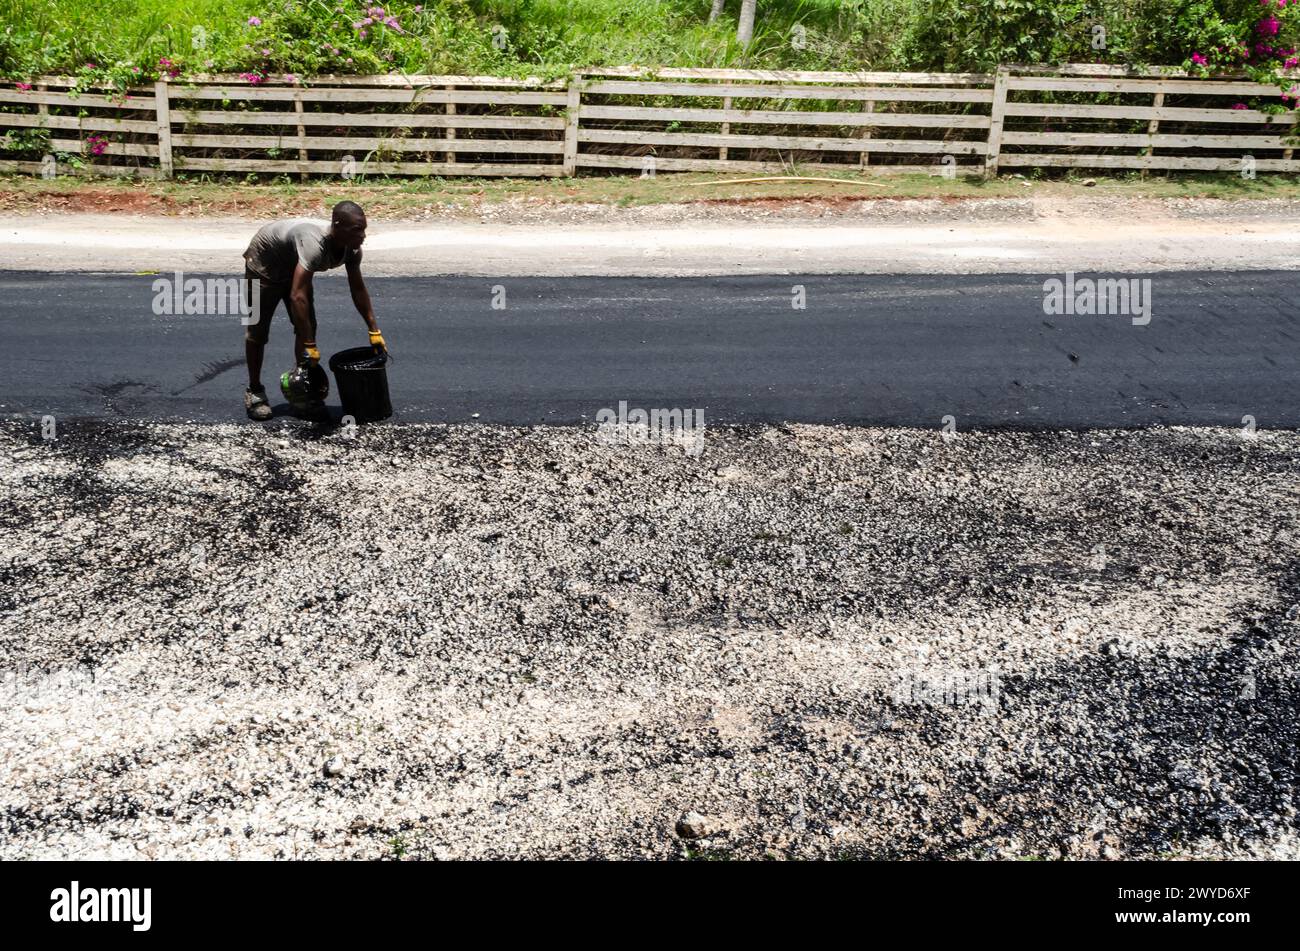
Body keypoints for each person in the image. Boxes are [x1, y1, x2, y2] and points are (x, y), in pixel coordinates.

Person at [240, 200, 386, 420]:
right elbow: (297, 295)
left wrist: (374, 330)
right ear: (337, 226)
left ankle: (302, 393)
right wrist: (309, 344)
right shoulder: (315, 244)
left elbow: (357, 288)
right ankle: (255, 391)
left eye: (364, 229)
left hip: (296, 266)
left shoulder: (352, 250)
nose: (363, 236)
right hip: (264, 264)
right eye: (357, 230)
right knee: (257, 331)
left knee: (308, 326)